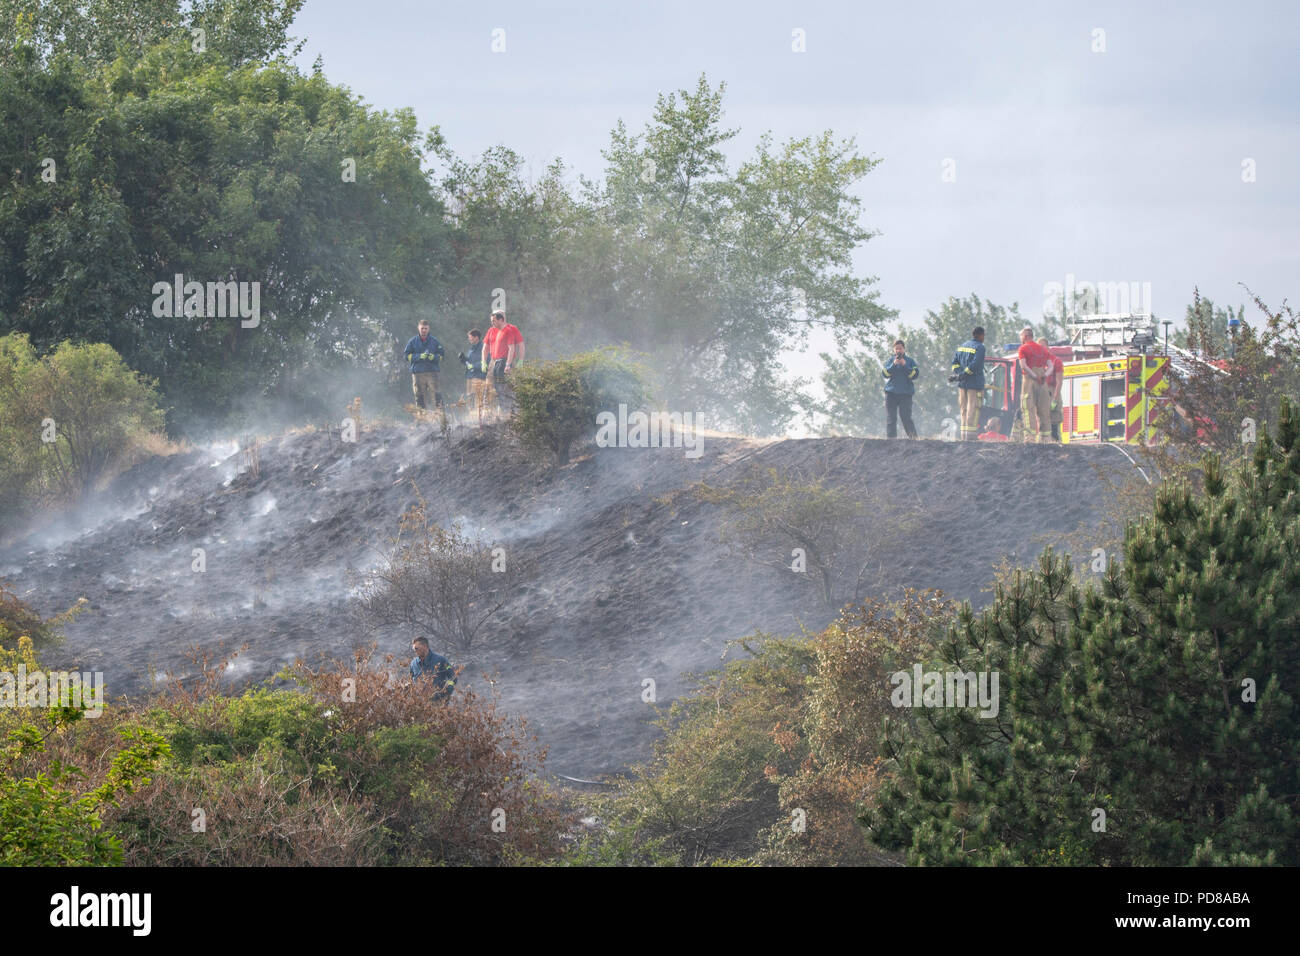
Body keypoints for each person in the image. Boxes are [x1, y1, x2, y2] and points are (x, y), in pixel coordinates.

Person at [482, 310, 524, 417]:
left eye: (494, 319)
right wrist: (483, 361)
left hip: (507, 361)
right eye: (492, 320)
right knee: (489, 385)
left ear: (502, 318)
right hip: (493, 361)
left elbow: (520, 345)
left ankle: (510, 412)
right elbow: (485, 347)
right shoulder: (491, 330)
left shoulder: (511, 329)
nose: (492, 322)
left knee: (508, 387)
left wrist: (520, 359)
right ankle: (486, 412)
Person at [1016, 327, 1053, 444]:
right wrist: (1044, 376)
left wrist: (1034, 376)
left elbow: (1023, 366)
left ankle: (1030, 438)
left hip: (1029, 381)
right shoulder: (1043, 349)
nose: (1020, 339)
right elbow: (1050, 366)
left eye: (1021, 336)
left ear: (1025, 336)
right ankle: (1046, 439)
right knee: (1044, 410)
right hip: (1043, 383)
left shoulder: (1023, 349)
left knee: (1028, 409)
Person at [950, 326, 987, 441]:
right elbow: (975, 364)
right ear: (980, 335)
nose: (984, 338)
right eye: (983, 336)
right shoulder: (980, 347)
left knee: (964, 410)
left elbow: (954, 363)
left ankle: (964, 437)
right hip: (974, 384)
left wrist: (959, 374)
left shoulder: (961, 346)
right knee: (973, 409)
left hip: (962, 385)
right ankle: (971, 437)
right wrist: (964, 374)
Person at [403, 319, 444, 411]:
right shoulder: (412, 341)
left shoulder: (435, 341)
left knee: (437, 395)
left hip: (432, 372)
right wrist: (419, 356)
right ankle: (422, 420)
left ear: (428, 329)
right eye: (422, 328)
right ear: (418, 328)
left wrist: (433, 357)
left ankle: (440, 418)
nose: (424, 330)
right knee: (419, 397)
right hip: (418, 373)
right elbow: (406, 356)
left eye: (425, 328)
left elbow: (441, 356)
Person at [881, 339, 919, 439]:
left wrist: (904, 365)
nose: (898, 350)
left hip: (905, 394)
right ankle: (891, 440)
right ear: (894, 350)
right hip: (891, 393)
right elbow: (885, 374)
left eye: (900, 348)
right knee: (891, 418)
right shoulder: (890, 361)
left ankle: (914, 438)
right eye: (896, 349)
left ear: (904, 349)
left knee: (906, 417)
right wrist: (894, 365)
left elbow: (914, 375)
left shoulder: (910, 361)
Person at [457, 328, 490, 427]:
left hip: (479, 376)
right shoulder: (472, 348)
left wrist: (474, 366)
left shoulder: (483, 347)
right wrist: (463, 359)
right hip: (470, 376)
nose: (469, 340)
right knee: (469, 397)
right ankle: (471, 416)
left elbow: (486, 361)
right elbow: (469, 362)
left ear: (476, 337)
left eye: (471, 338)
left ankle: (479, 419)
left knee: (478, 397)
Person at [410, 637, 456, 701]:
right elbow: (411, 680)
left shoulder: (441, 660)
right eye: (413, 649)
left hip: (438, 702)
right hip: (420, 703)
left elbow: (453, 676)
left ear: (425, 646)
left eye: (416, 648)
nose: (415, 651)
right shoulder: (413, 663)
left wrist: (447, 691)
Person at [1044, 350, 1066, 441]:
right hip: (1044, 393)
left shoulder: (1056, 361)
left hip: (1052, 393)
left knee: (1054, 424)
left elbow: (1059, 382)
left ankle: (1057, 443)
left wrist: (1054, 399)